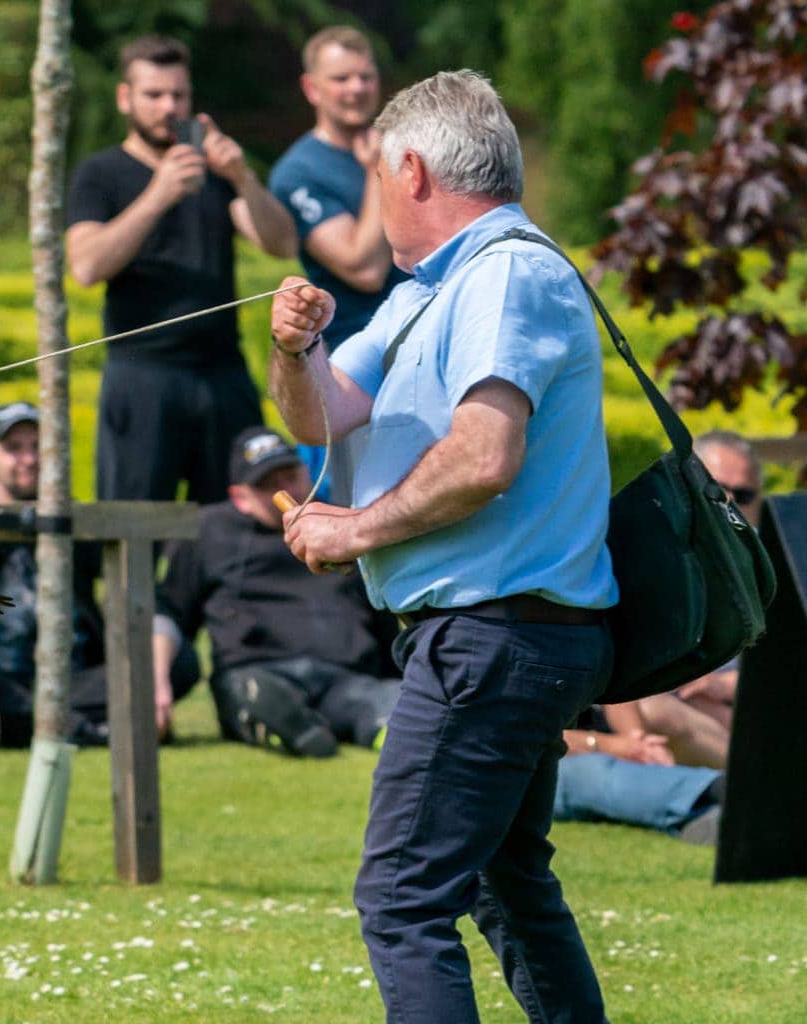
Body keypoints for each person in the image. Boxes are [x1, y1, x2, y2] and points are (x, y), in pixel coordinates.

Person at [269, 71, 617, 1020]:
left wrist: (355, 529)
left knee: (401, 900)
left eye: (377, 175)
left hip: (495, 633)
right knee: (509, 889)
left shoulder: (509, 271)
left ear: (411, 170)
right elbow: (327, 412)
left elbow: (484, 455)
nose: (373, 197)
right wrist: (293, 348)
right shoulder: (436, 287)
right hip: (491, 634)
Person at [65, 35, 295, 505]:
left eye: (179, 95)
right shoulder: (100, 173)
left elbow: (281, 243)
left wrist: (242, 177)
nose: (169, 106)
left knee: (238, 523)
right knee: (131, 527)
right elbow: (86, 266)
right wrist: (159, 193)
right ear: (125, 98)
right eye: (154, 95)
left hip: (223, 373)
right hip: (143, 373)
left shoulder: (214, 171)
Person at [0, 401, 199, 751]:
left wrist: (157, 682)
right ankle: (87, 729)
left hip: (76, 680)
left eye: (39, 447)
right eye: (14, 449)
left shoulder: (81, 522)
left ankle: (29, 730)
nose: (29, 459)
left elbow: (146, 600)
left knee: (177, 661)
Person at [154, 426, 399, 756]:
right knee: (255, 695)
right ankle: (302, 734)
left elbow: (378, 607)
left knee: (393, 705)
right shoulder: (209, 531)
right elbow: (168, 611)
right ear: (239, 496)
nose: (285, 489)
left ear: (306, 473)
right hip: (260, 671)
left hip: (346, 675)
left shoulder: (337, 522)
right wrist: (156, 682)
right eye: (268, 484)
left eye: (291, 476)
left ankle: (383, 729)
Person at [266, 26, 411, 505]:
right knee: (366, 512)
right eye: (341, 78)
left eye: (366, 77)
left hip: (417, 357)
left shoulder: (401, 149)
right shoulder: (298, 172)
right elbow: (362, 266)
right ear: (312, 88)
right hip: (353, 374)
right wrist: (378, 176)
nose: (356, 88)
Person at [598, 430, 760, 766]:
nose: (728, 501)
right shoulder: (655, 556)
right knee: (654, 708)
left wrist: (722, 685)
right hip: (661, 700)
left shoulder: (775, 565)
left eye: (742, 494)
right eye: (717, 488)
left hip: (745, 707)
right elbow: (616, 652)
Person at [556, 714, 724, 846]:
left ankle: (704, 817)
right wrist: (608, 744)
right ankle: (718, 791)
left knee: (657, 708)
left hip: (601, 748)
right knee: (588, 772)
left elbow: (616, 686)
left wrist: (637, 741)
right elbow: (535, 731)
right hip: (548, 761)